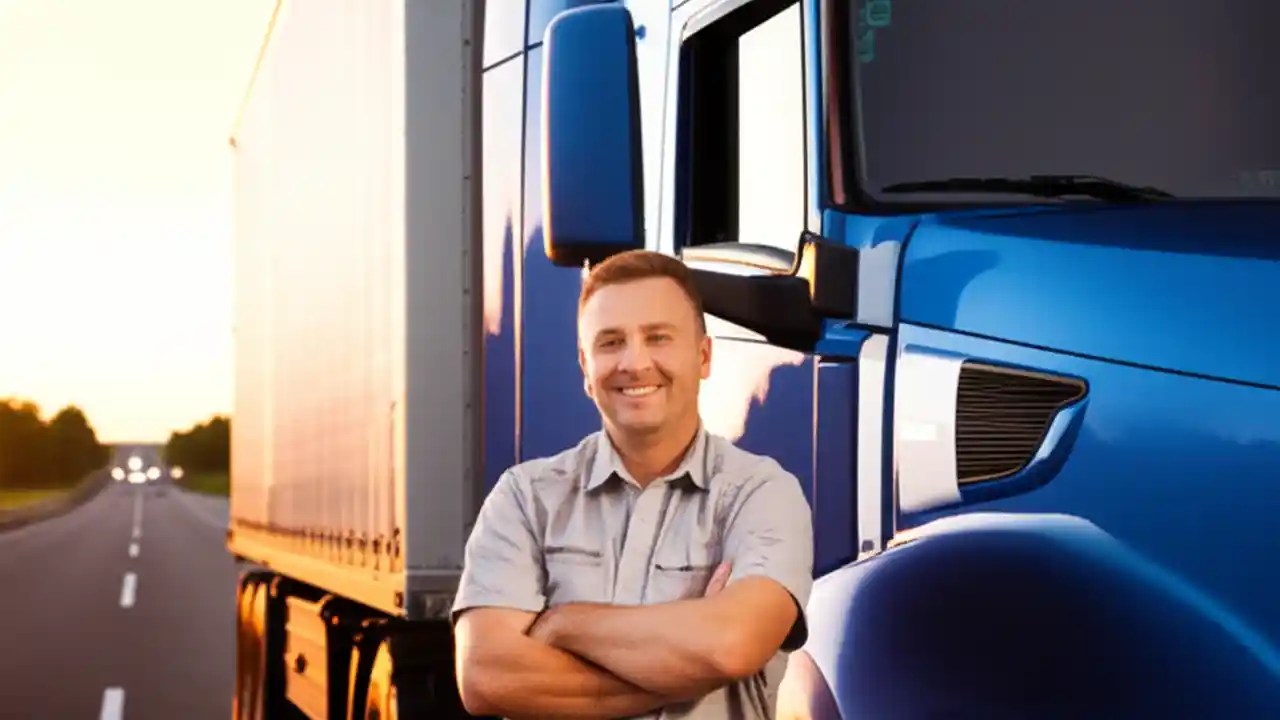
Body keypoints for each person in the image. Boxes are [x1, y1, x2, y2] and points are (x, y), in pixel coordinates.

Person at [452, 249, 814, 719]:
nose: (635, 362)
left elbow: (732, 643)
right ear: (585, 368)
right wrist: (688, 660)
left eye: (658, 338)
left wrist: (564, 623)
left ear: (703, 356)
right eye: (610, 342)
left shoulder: (762, 494)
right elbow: (487, 676)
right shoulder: (524, 498)